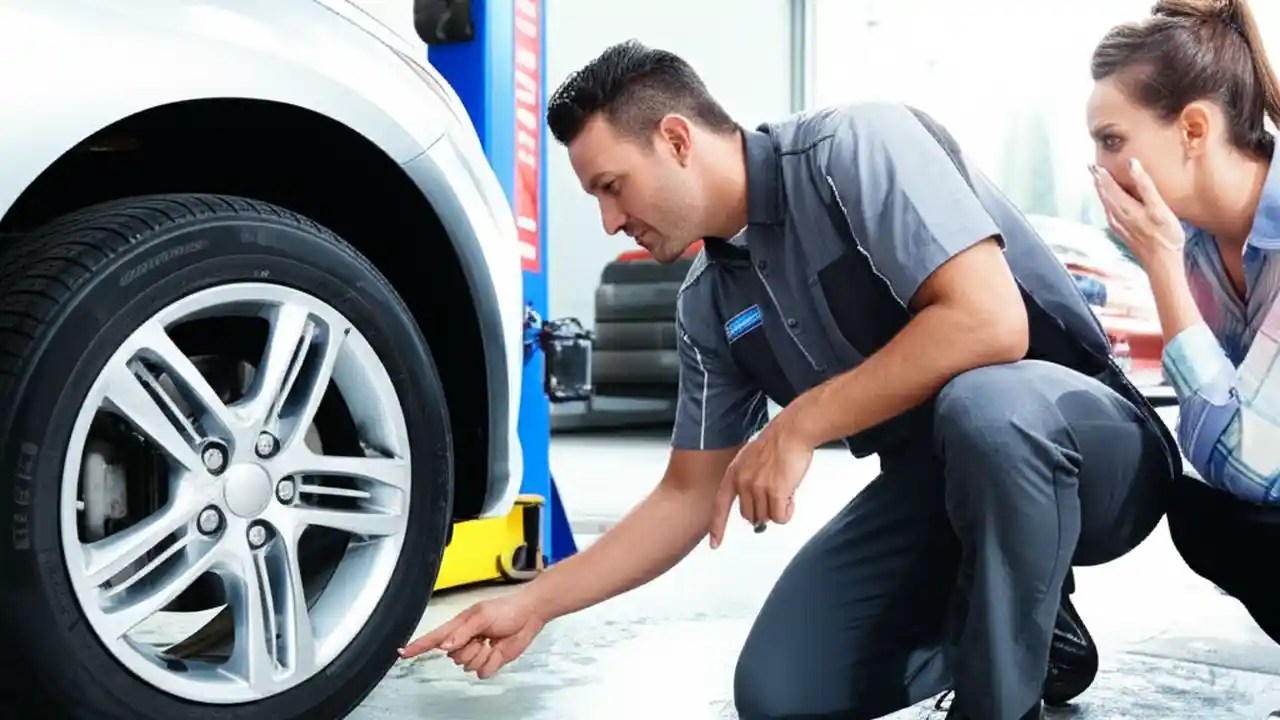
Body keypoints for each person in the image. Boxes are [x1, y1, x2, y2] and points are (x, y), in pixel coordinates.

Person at [399, 41, 1183, 720]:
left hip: (1092, 454)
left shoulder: (857, 148)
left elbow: (989, 324)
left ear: (676, 139)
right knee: (782, 691)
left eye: (611, 186)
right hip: (945, 489)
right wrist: (532, 603)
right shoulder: (710, 302)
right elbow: (685, 496)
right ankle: (1029, 623)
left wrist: (801, 422)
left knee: (988, 404)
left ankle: (996, 699)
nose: (609, 221)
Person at [1086, 0, 1280, 648]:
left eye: (1112, 140)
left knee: (1232, 511)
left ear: (1193, 129)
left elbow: (1249, 463)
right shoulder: (1199, 244)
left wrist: (1161, 265)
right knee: (1206, 516)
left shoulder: (1180, 252)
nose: (1098, 168)